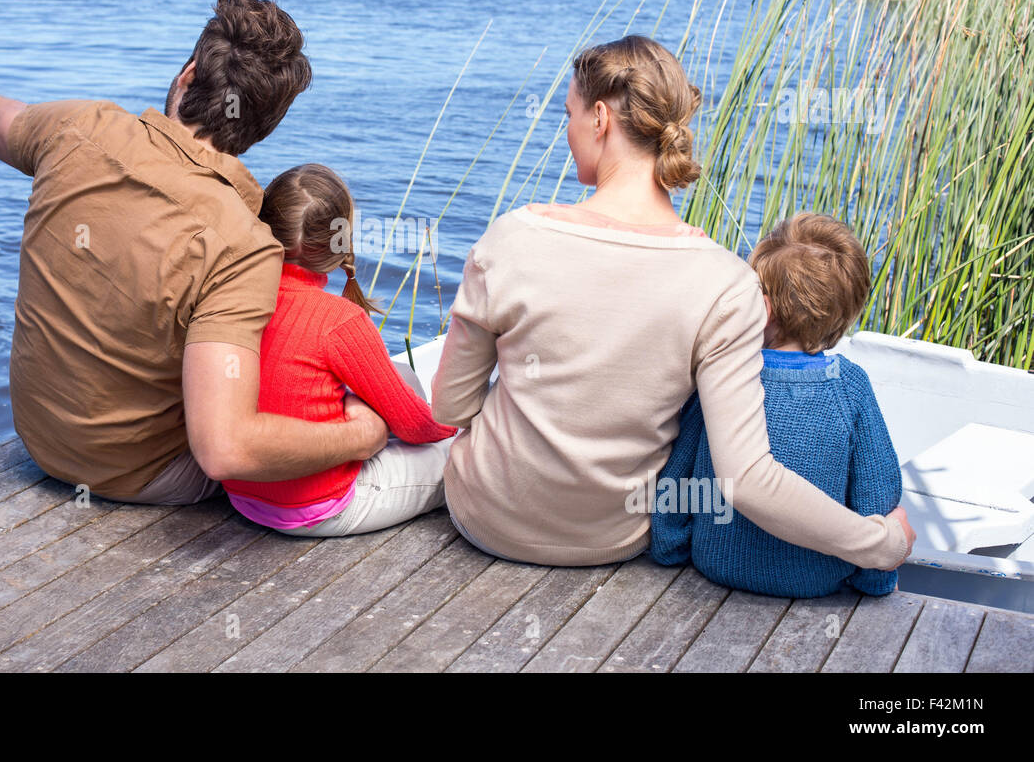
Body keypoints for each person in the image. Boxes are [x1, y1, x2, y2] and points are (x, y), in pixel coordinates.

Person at [0, 0, 390, 507]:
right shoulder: (245, 245)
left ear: (188, 75)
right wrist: (360, 437)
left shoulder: (77, 128)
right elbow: (223, 451)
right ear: (267, 125)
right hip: (145, 477)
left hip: (42, 442)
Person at [430, 34, 916, 571]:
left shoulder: (511, 238)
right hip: (613, 538)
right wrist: (882, 544)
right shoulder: (727, 285)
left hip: (486, 517)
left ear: (599, 118)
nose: (566, 131)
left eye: (567, 114)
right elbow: (748, 479)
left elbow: (451, 408)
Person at [649, 213, 902, 596]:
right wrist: (877, 577)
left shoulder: (726, 373)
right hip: (815, 581)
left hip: (716, 564)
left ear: (762, 308)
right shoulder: (850, 387)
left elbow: (679, 472)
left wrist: (670, 547)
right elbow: (875, 493)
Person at [222, 165, 456, 535]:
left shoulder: (235, 301)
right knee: (456, 457)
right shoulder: (339, 319)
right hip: (319, 506)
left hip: (243, 496)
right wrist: (459, 428)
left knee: (402, 376)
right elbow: (417, 427)